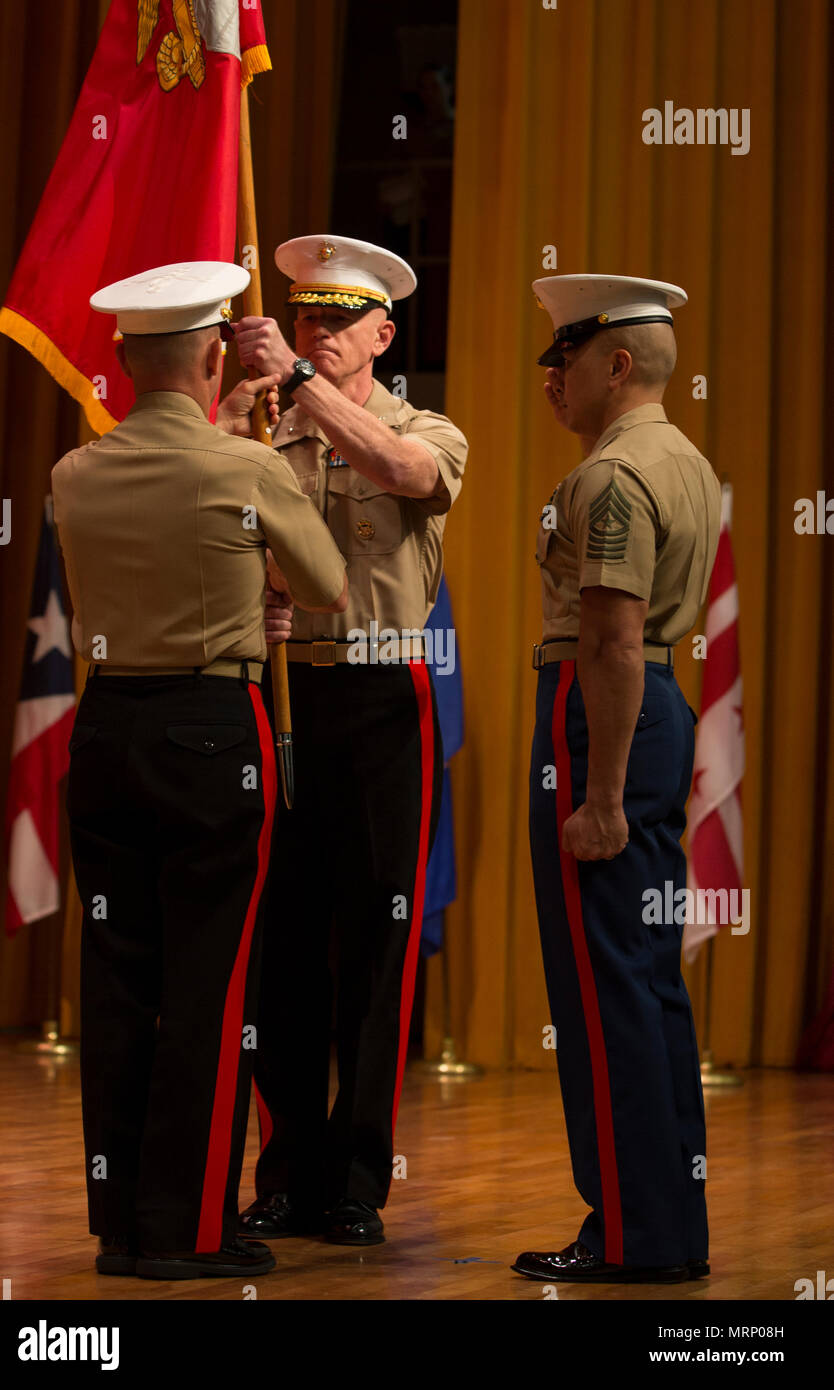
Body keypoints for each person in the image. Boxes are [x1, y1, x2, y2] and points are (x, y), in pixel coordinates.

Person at [52, 261, 348, 1281]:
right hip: (212, 728)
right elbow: (325, 583)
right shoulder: (248, 470)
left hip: (106, 728)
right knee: (210, 985)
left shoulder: (72, 473)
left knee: (119, 977)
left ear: (125, 361)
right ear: (216, 353)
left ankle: (123, 1221)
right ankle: (190, 1226)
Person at [230, 235, 468, 1245]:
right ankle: (284, 1170)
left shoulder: (428, 428)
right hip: (288, 694)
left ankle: (357, 1178)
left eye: (338, 320)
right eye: (306, 317)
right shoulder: (254, 429)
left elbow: (402, 471)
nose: (320, 333)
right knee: (282, 943)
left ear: (383, 332)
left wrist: (295, 382)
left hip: (382, 698)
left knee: (377, 945)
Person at [513, 274, 720, 1284]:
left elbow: (607, 635)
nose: (550, 376)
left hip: (599, 718)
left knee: (601, 991)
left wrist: (594, 797)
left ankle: (627, 1232)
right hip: (652, 710)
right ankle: (667, 1226)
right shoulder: (682, 458)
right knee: (643, 981)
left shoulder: (609, 476)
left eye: (564, 357)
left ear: (616, 364)